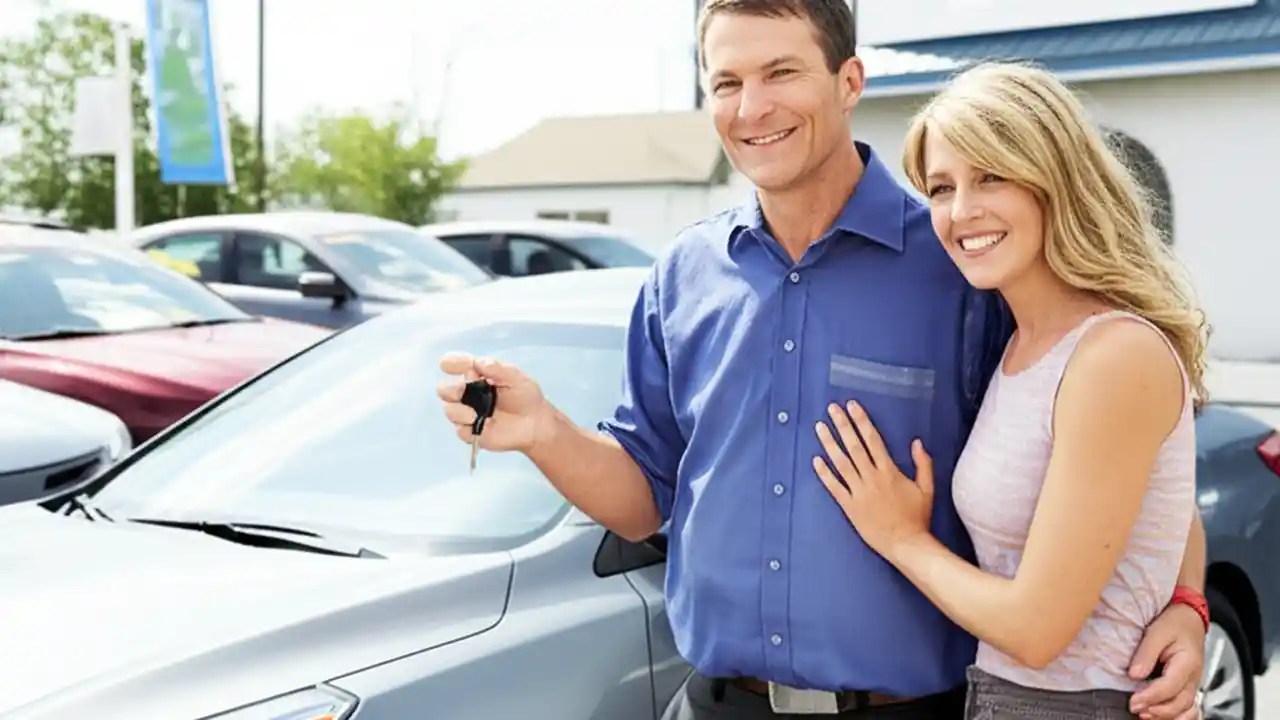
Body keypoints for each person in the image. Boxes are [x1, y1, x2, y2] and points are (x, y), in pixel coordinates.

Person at [436, 2, 1209, 718]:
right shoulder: (683, 276)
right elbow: (646, 501)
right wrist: (542, 431)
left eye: (781, 73)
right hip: (718, 702)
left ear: (849, 81)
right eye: (727, 82)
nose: (752, 107)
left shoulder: (962, 262)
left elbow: (1124, 464)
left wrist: (1184, 600)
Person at [811, 61, 1211, 720]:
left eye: (991, 175)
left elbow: (1034, 629)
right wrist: (1189, 603)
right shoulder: (1019, 338)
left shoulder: (1113, 354)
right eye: (941, 187)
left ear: (1055, 178)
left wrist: (900, 536)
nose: (962, 211)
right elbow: (1159, 509)